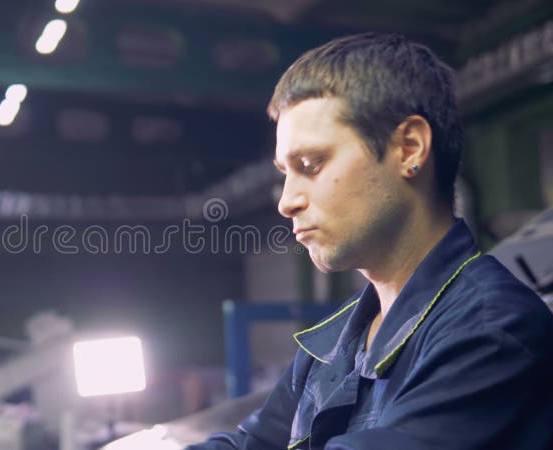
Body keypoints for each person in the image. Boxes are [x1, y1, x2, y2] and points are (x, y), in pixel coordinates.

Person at [187, 33, 553, 450]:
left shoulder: (491, 332)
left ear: (408, 148)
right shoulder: (340, 336)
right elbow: (248, 445)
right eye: (284, 174)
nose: (287, 202)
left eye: (311, 164)